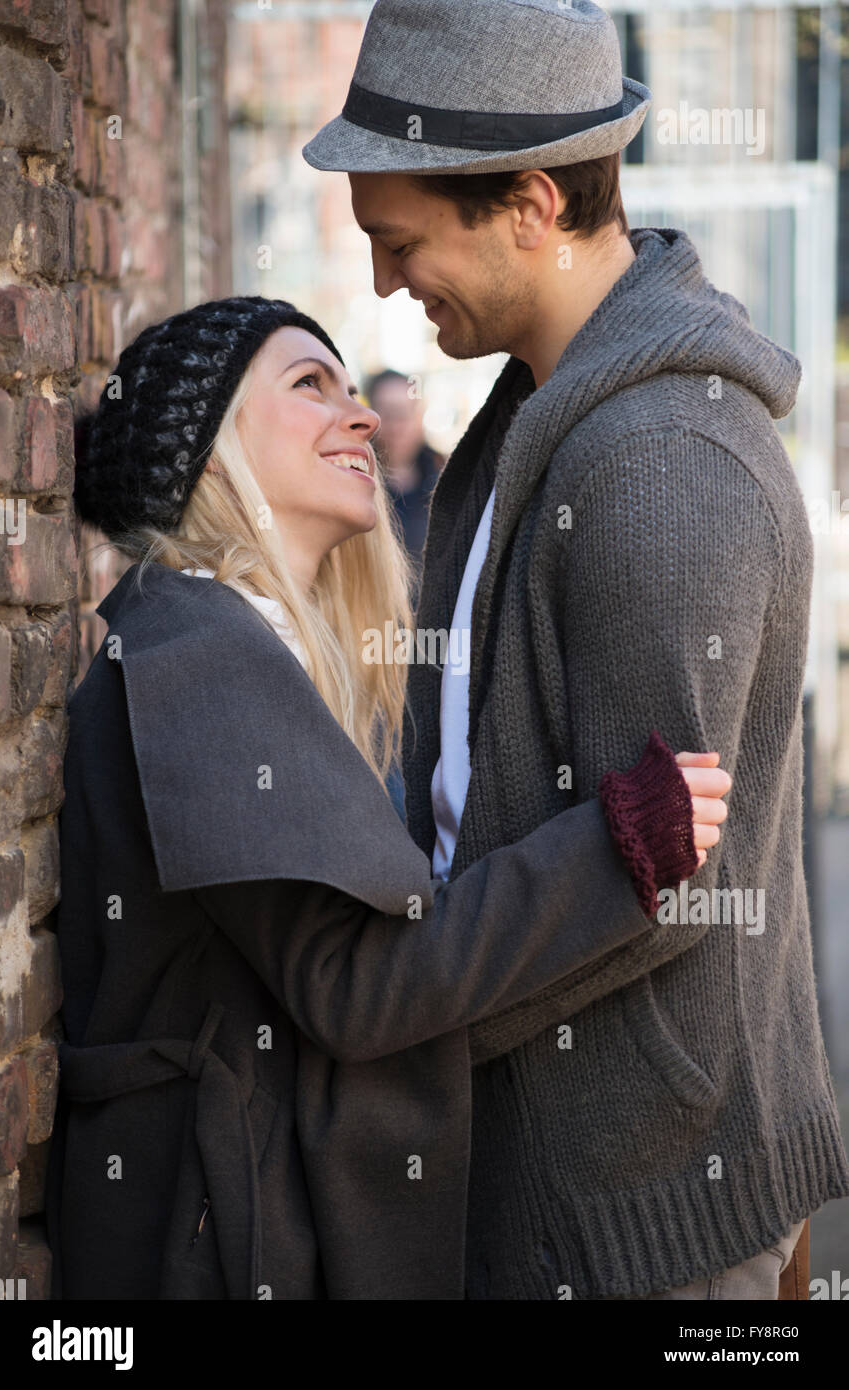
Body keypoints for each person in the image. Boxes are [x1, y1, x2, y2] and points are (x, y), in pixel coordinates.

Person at [302, 0, 849, 1299]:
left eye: (401, 240)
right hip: (560, 1176)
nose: (383, 280)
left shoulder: (659, 465)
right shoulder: (537, 414)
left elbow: (660, 871)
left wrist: (387, 1022)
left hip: (640, 1211)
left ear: (534, 204)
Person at [45, 296, 731, 1301]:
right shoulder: (195, 654)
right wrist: (614, 848)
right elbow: (359, 984)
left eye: (353, 388)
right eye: (308, 385)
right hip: (199, 1243)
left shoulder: (219, 638)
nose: (362, 415)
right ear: (211, 446)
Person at [363, 368, 442, 575]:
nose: (396, 426)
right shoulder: (352, 482)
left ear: (419, 417)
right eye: (387, 414)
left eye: (404, 413)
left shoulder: (448, 478)